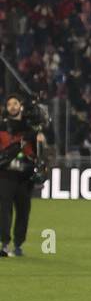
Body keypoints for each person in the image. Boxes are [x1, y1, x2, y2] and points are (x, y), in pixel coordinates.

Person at [0, 92, 45, 258]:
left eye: (15, 103)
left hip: (24, 176)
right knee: (4, 210)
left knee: (23, 212)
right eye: (9, 104)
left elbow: (38, 152)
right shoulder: (2, 126)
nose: (12, 106)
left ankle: (18, 244)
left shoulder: (31, 128)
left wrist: (40, 165)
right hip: (5, 174)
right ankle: (4, 244)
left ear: (20, 106)